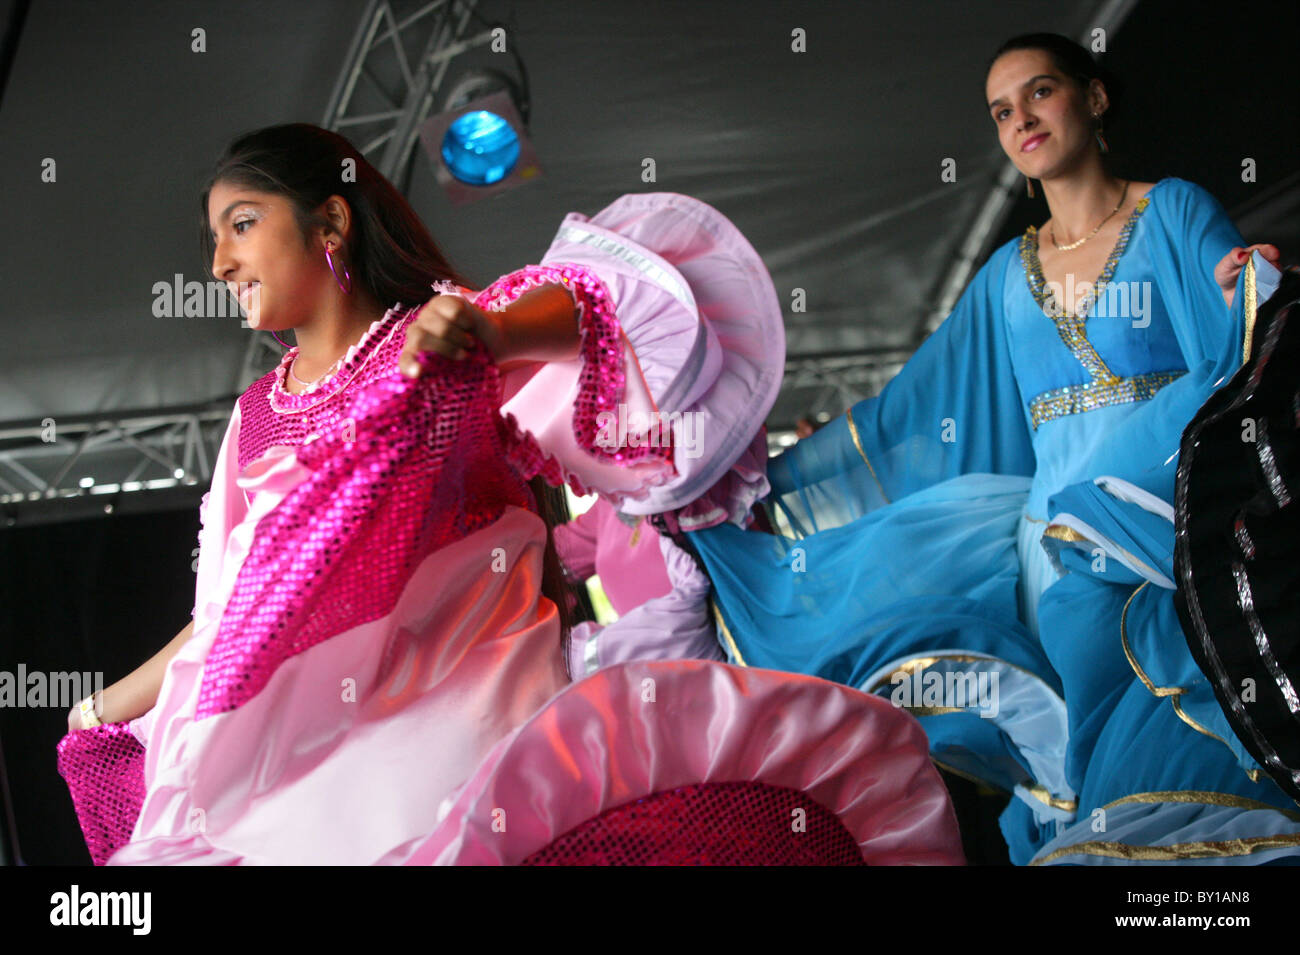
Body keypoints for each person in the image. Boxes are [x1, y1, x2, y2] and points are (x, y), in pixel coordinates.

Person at [60, 123, 952, 866]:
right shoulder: (254, 419)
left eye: (241, 225)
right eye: (213, 238)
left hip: (460, 728)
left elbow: (606, 308)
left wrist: (489, 330)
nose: (218, 263)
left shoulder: (436, 335)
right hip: (297, 747)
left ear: (328, 221)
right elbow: (228, 612)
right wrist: (104, 706)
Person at [689, 34, 1299, 864]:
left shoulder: (1173, 211)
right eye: (1002, 111)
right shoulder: (1006, 276)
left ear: (1094, 98)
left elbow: (1231, 328)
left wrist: (1250, 291)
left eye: (1040, 93)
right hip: (1044, 555)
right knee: (1085, 771)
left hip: (1157, 534)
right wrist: (756, 484)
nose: (1022, 120)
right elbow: (902, 414)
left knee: (1185, 755)